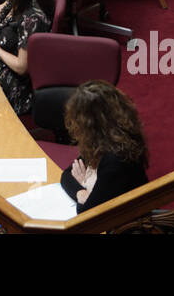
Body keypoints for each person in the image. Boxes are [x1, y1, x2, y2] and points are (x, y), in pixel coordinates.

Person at [59, 80, 149, 212]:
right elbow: (67, 175)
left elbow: (87, 214)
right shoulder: (108, 138)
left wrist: (86, 184)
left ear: (87, 124)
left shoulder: (115, 159)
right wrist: (81, 192)